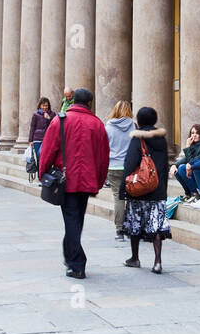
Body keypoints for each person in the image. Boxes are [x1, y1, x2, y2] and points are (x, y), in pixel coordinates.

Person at [36, 87, 108, 279]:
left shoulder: (60, 120)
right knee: (76, 219)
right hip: (86, 180)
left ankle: (77, 263)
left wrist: (42, 172)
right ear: (89, 103)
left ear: (73, 101)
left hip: (66, 180)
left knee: (71, 219)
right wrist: (99, 181)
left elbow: (48, 149)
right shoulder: (97, 124)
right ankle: (71, 257)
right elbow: (103, 157)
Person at [120, 107, 171, 273]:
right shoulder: (162, 139)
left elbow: (130, 163)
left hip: (139, 188)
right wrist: (163, 188)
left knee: (136, 222)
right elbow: (164, 165)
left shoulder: (138, 137)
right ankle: (157, 261)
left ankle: (135, 258)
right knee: (156, 224)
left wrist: (123, 188)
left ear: (139, 121)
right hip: (157, 188)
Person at [104, 101, 135, 239]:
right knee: (132, 197)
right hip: (129, 166)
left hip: (113, 166)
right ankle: (132, 227)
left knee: (118, 197)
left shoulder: (108, 126)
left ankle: (119, 230)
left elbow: (104, 147)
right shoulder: (133, 126)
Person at [170, 124, 200, 201]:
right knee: (177, 170)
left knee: (182, 168)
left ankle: (195, 194)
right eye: (192, 133)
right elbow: (185, 159)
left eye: (197, 133)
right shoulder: (193, 146)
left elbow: (192, 162)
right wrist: (174, 165)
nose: (194, 135)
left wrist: (187, 147)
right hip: (193, 173)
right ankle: (188, 194)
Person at [27, 97, 53, 164]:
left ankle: (44, 173)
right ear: (40, 105)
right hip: (37, 139)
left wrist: (49, 118)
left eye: (46, 105)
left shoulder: (52, 114)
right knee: (39, 158)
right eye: (43, 105)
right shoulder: (36, 115)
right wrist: (30, 140)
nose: (45, 107)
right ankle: (40, 174)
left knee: (45, 158)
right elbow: (32, 127)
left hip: (47, 139)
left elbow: (54, 126)